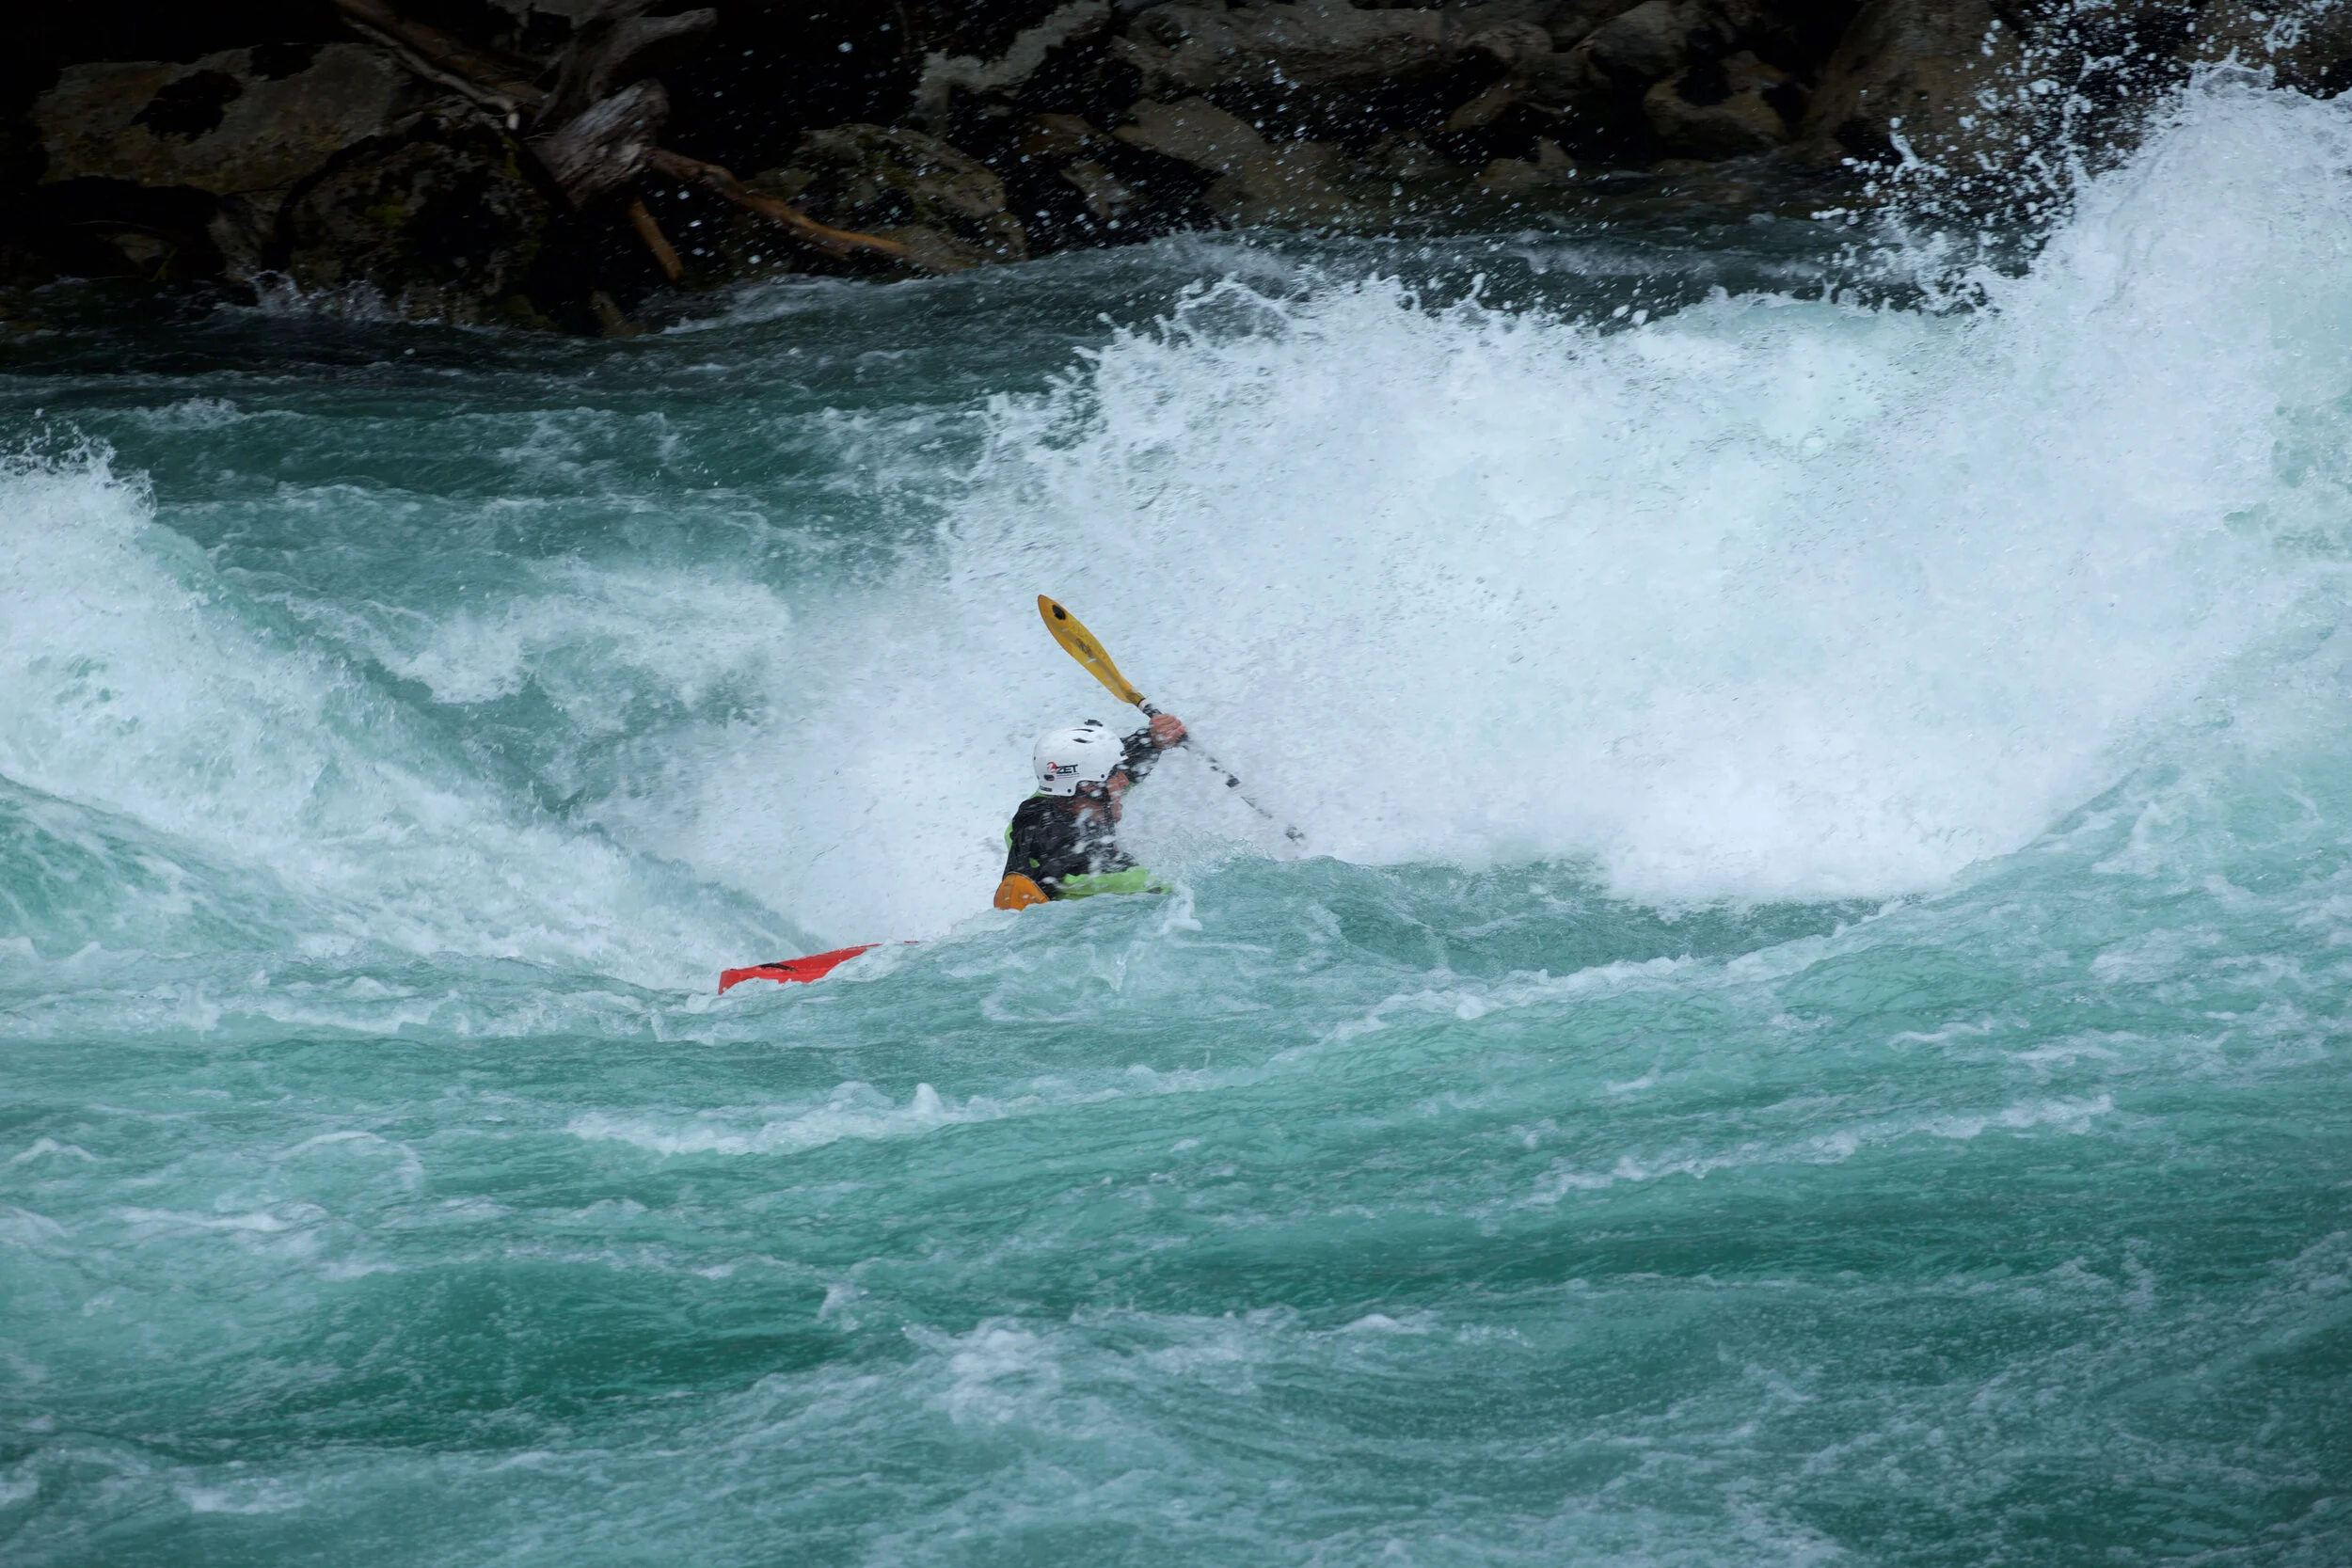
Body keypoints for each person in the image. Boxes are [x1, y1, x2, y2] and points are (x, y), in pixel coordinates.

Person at [995, 712, 1187, 908]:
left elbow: (1076, 774)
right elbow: (1181, 890)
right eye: (1116, 774)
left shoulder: (1027, 820)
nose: (1124, 780)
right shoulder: (1099, 870)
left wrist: (1150, 740)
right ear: (1090, 787)